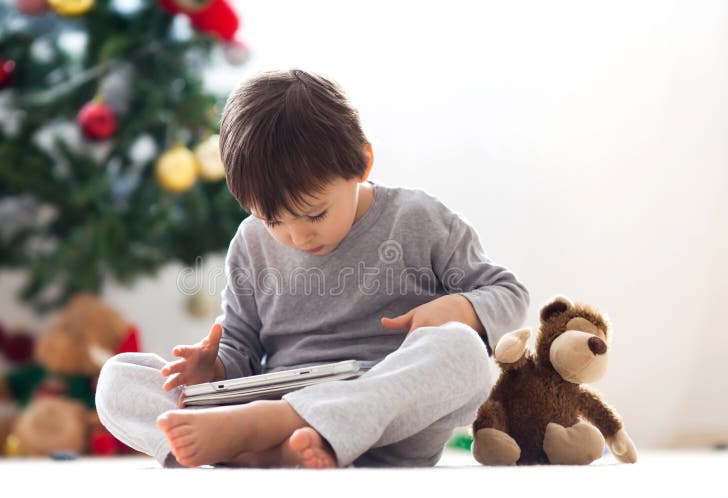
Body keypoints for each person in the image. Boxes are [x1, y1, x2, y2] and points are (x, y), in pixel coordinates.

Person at [95, 69, 529, 468]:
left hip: (383, 411)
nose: (297, 237)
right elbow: (241, 347)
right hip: (275, 390)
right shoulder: (250, 242)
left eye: (315, 214)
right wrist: (216, 369)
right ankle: (280, 446)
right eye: (274, 221)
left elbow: (508, 294)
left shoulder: (419, 219)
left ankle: (263, 436)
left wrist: (459, 309)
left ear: (361, 164)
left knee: (462, 350)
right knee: (118, 379)